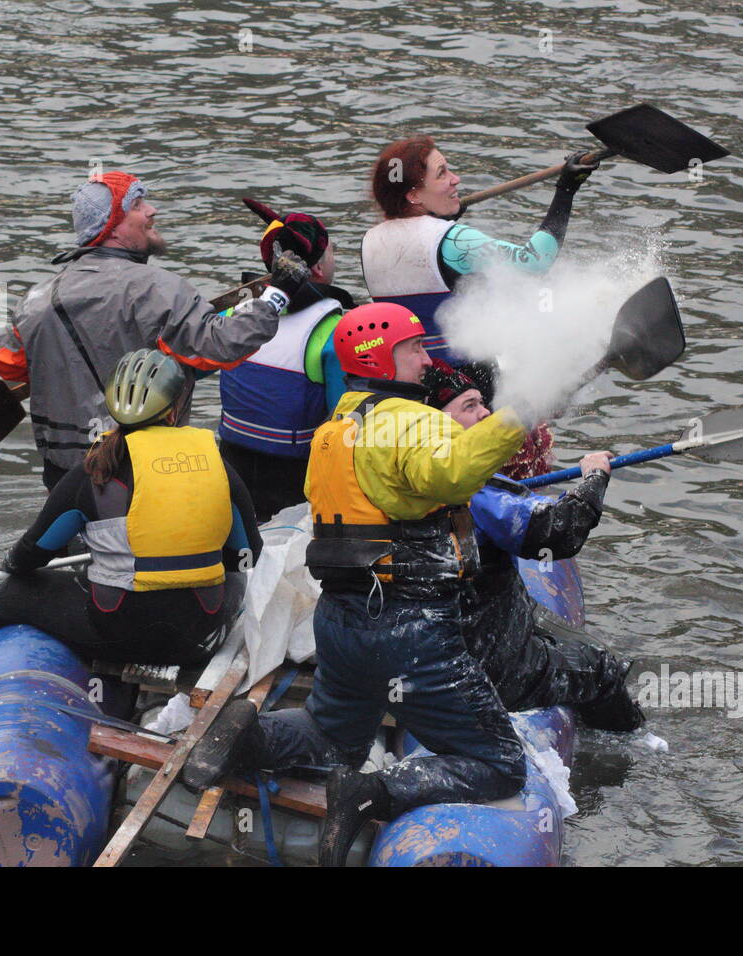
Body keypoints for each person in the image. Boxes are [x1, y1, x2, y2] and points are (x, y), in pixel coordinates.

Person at [181, 303, 534, 866]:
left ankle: (250, 739)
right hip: (411, 628)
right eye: (415, 347)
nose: (426, 357)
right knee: (497, 763)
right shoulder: (409, 421)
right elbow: (452, 471)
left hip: (342, 620)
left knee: (330, 735)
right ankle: (373, 792)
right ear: (380, 355)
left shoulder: (333, 430)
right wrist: (519, 414)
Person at [0, 349, 262, 672]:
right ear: (174, 410)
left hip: (121, 634)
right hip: (197, 636)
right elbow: (247, 554)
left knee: (17, 590)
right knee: (231, 577)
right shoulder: (216, 463)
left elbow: (29, 558)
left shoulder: (92, 472)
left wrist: (11, 566)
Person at [0, 171, 311, 490]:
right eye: (138, 204)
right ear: (111, 225)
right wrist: (275, 296)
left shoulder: (35, 300)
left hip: (65, 476)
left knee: (75, 541)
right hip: (140, 470)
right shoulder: (160, 290)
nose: (151, 210)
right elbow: (221, 347)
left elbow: (9, 364)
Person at [423, 359, 644, 731]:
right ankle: (635, 749)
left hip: (433, 644)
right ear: (437, 420)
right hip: (482, 665)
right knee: (602, 668)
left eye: (482, 402)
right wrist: (593, 480)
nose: (485, 413)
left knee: (557, 632)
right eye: (469, 406)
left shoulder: (401, 467)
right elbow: (557, 532)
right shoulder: (472, 488)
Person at [360, 136, 600, 366]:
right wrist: (566, 190)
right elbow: (535, 262)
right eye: (442, 174)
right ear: (414, 195)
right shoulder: (454, 240)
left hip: (410, 373)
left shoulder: (370, 241)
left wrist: (438, 217)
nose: (456, 179)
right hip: (466, 382)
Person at [216, 199, 357, 522]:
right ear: (319, 269)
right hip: (293, 482)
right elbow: (343, 426)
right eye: (332, 251)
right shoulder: (334, 332)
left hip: (230, 472)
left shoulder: (230, 317)